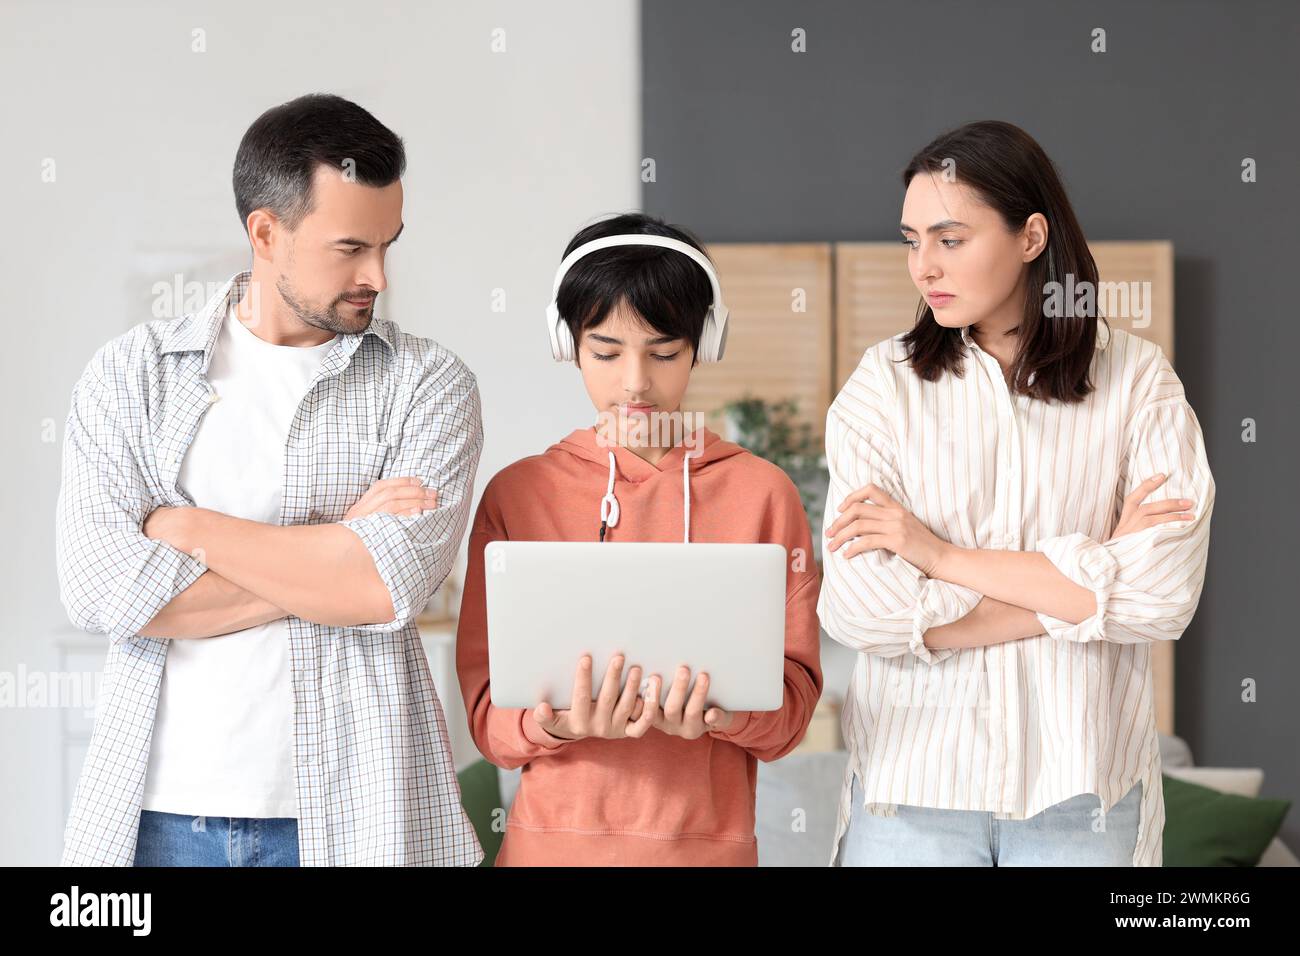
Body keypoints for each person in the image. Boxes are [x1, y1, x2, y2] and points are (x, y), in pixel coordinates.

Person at [54, 93, 484, 866]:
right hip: (155, 818)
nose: (377, 274)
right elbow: (100, 590)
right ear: (265, 232)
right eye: (350, 246)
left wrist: (189, 530)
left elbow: (386, 590)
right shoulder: (131, 375)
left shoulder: (428, 383)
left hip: (359, 816)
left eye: (389, 244)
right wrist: (338, 546)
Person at [818, 120, 1215, 866]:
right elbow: (863, 612)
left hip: (1083, 799)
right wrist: (1088, 582)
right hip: (912, 798)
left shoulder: (1137, 380)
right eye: (911, 241)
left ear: (1031, 237)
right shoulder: (882, 387)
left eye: (950, 238)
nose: (923, 266)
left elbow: (1161, 597)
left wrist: (936, 555)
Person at [455, 212, 823, 865]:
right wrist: (553, 724)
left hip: (708, 853)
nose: (634, 381)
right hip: (548, 851)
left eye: (663, 353)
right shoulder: (518, 495)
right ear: (566, 343)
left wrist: (724, 719)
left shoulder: (764, 495)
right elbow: (488, 721)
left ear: (703, 344)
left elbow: (790, 715)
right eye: (605, 352)